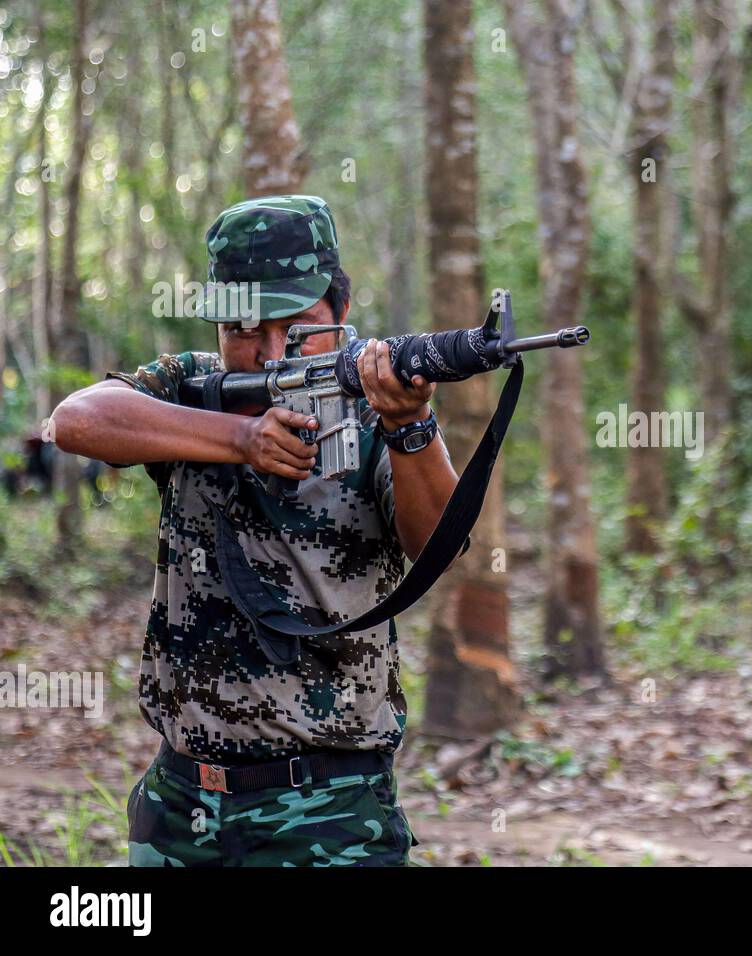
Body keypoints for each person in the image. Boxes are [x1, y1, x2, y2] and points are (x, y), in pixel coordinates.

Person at [50, 195, 458, 866]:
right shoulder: (190, 386)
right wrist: (241, 436)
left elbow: (437, 548)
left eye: (293, 328)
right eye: (243, 330)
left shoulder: (373, 410)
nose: (268, 354)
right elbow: (75, 420)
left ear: (341, 312)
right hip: (181, 803)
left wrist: (410, 426)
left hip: (328, 809)